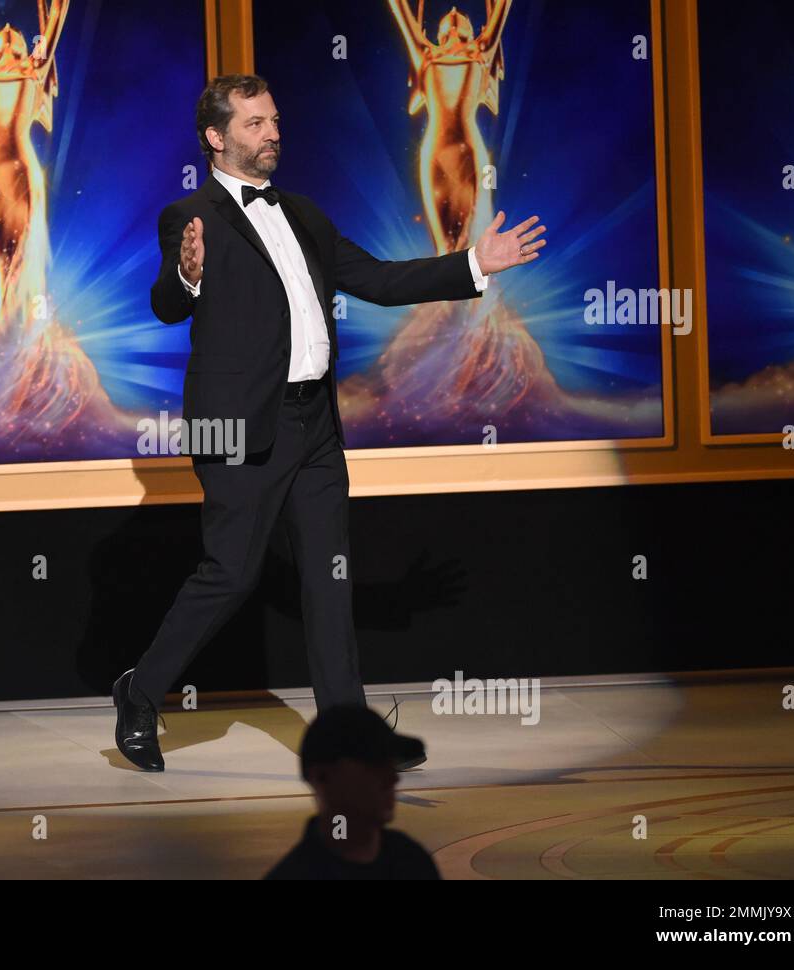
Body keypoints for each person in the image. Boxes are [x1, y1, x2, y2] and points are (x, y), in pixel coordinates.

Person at [113, 74, 545, 771]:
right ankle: (141, 693)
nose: (272, 132)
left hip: (314, 425)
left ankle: (348, 736)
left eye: (275, 119)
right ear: (217, 139)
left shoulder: (305, 214)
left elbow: (377, 280)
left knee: (327, 578)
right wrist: (188, 275)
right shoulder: (189, 216)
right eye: (254, 123)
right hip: (240, 428)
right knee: (229, 575)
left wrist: (473, 265)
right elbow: (167, 301)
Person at [264, 704, 440, 879]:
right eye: (373, 766)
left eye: (390, 765)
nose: (393, 779)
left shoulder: (413, 863)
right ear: (321, 777)